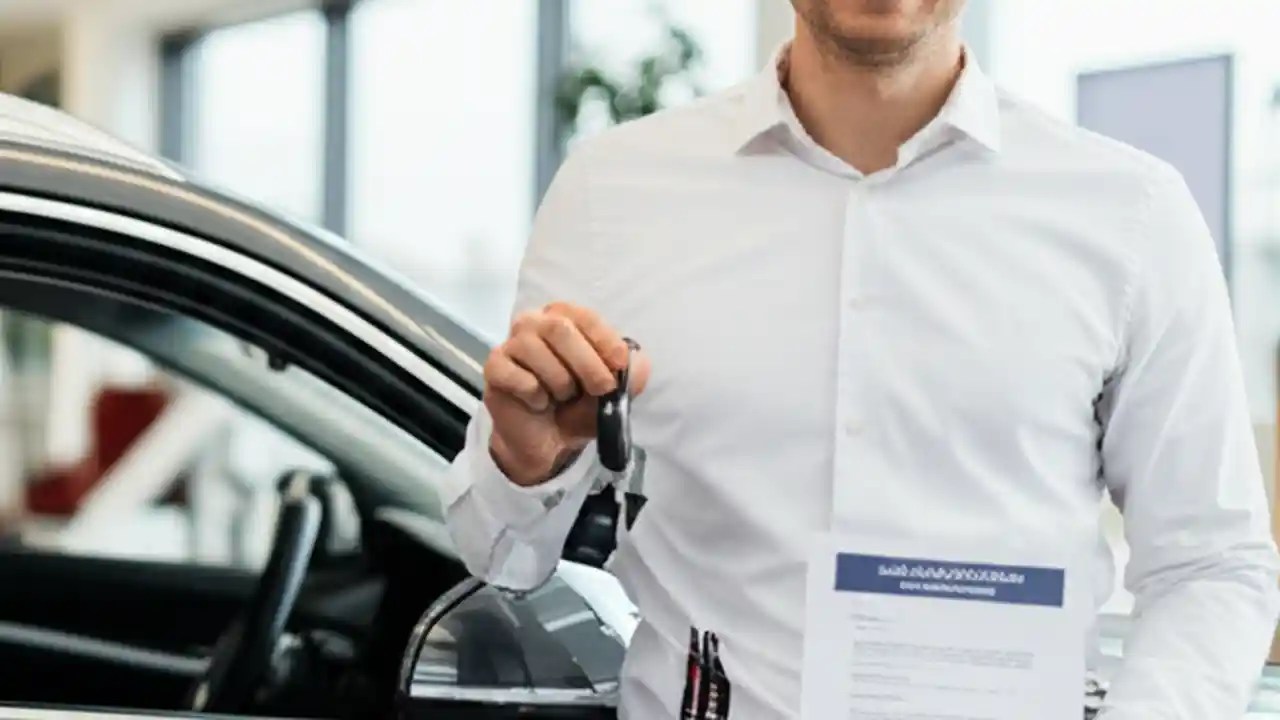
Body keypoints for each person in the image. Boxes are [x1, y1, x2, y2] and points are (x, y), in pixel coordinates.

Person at [440, 1, 1280, 717]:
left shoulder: (1129, 214)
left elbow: (1212, 564)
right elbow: (503, 557)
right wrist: (524, 461)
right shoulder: (611, 195)